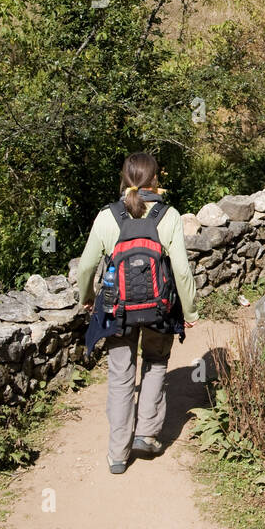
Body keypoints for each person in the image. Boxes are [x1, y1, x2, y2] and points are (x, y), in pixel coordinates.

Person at [77, 153, 199, 474]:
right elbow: (182, 272)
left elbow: (87, 265)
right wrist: (189, 310)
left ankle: (117, 454)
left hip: (117, 309)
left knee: (120, 376)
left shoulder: (107, 216)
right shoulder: (168, 216)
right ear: (155, 180)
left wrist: (88, 297)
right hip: (160, 307)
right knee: (156, 362)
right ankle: (146, 433)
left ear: (123, 179)